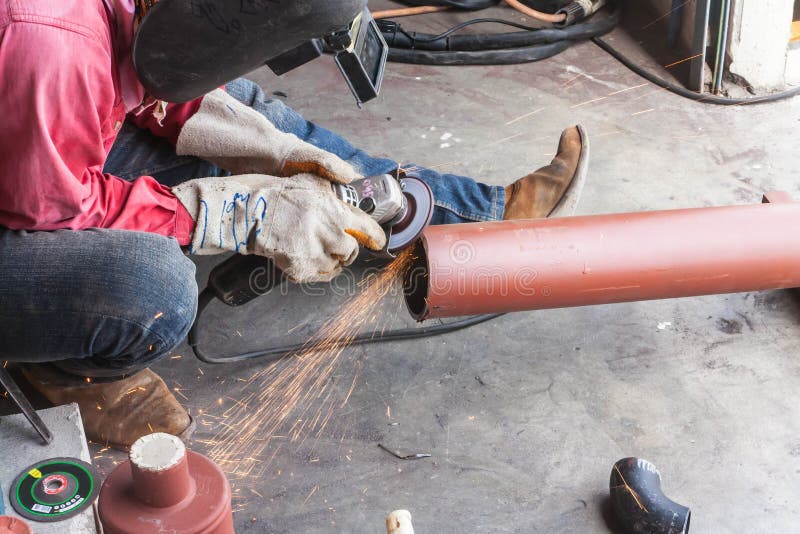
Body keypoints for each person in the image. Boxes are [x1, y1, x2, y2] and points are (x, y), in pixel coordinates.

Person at [0, 0, 588, 449]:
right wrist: (240, 213)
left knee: (248, 109)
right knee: (150, 289)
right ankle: (64, 366)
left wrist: (259, 144)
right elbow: (52, 211)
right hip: (28, 195)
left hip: (31, 135)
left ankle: (477, 217)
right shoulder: (51, 46)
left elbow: (144, 62)